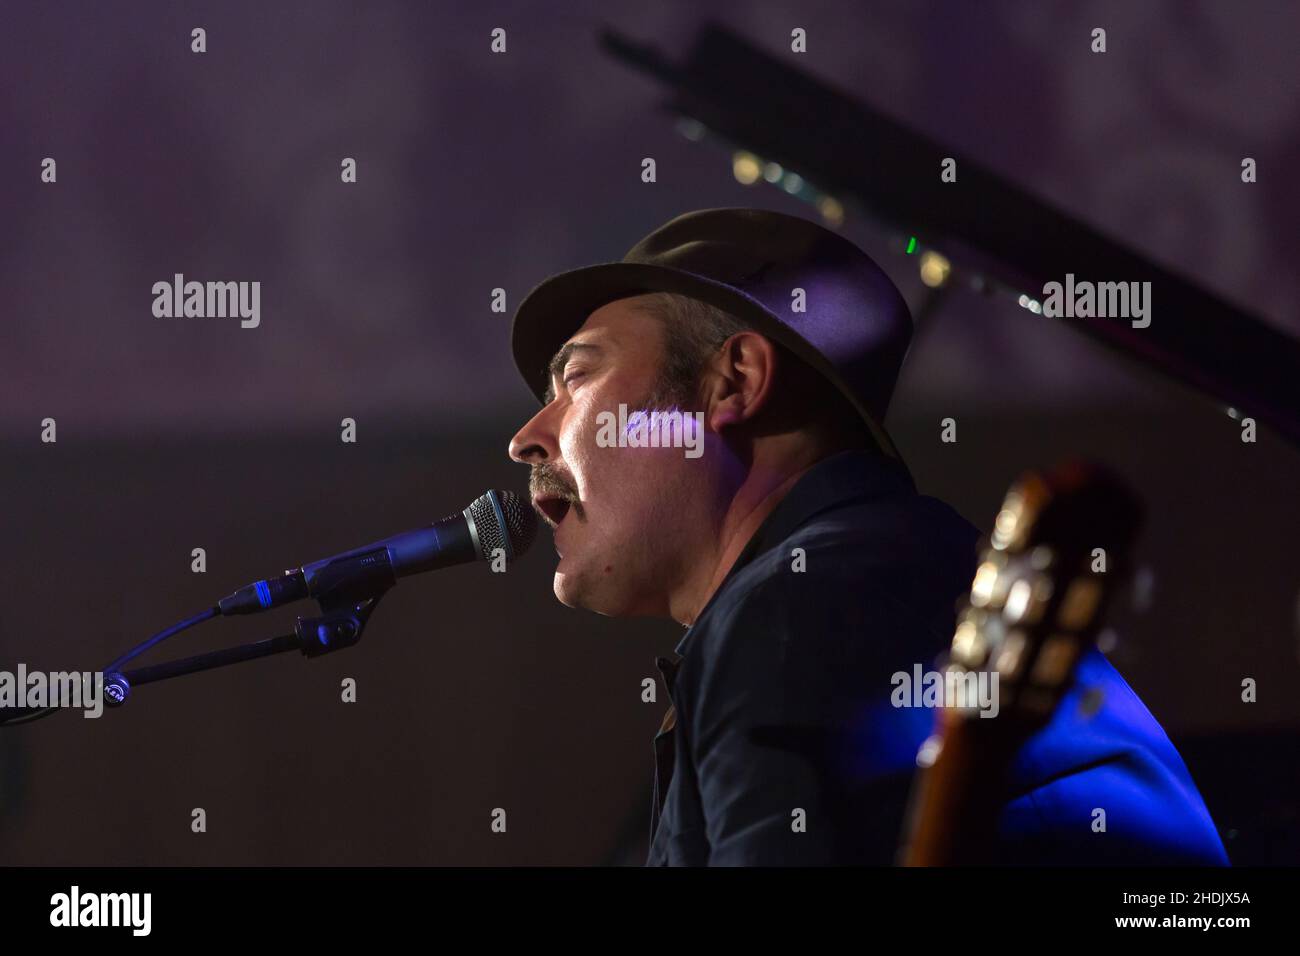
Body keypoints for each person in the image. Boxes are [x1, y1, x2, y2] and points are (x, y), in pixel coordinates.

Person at [506, 207, 1228, 866]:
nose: (526, 440)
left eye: (576, 375)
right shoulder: (860, 576)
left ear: (733, 383)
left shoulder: (806, 608)